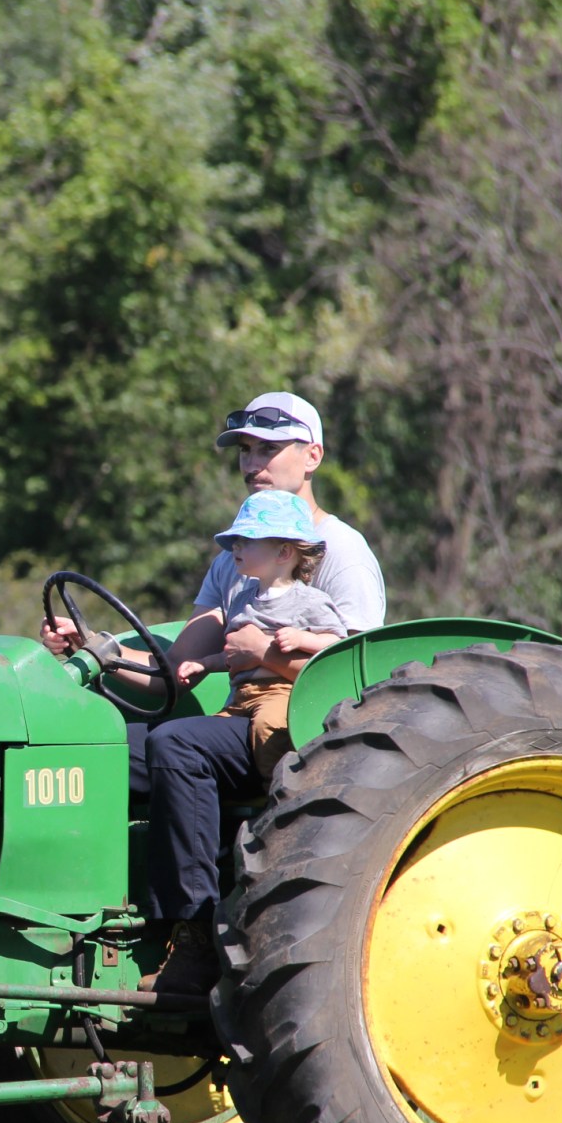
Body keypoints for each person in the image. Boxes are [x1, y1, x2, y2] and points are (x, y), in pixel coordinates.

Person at [39, 390, 385, 993]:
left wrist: (266, 655)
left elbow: (359, 677)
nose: (254, 464)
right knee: (98, 753)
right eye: (245, 451)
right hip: (236, 716)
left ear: (313, 456)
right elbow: (175, 666)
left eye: (270, 449)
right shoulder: (237, 558)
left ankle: (196, 937)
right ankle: (76, 927)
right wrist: (96, 646)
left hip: (303, 735)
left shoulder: (339, 553)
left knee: (178, 745)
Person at [171, 490, 347, 780]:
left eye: (247, 541)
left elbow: (337, 645)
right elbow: (233, 653)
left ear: (284, 552)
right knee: (211, 732)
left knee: (269, 728)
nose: (236, 548)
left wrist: (303, 640)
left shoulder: (309, 601)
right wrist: (204, 664)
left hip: (280, 692)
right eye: (236, 541)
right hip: (240, 696)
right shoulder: (243, 599)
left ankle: (277, 792)